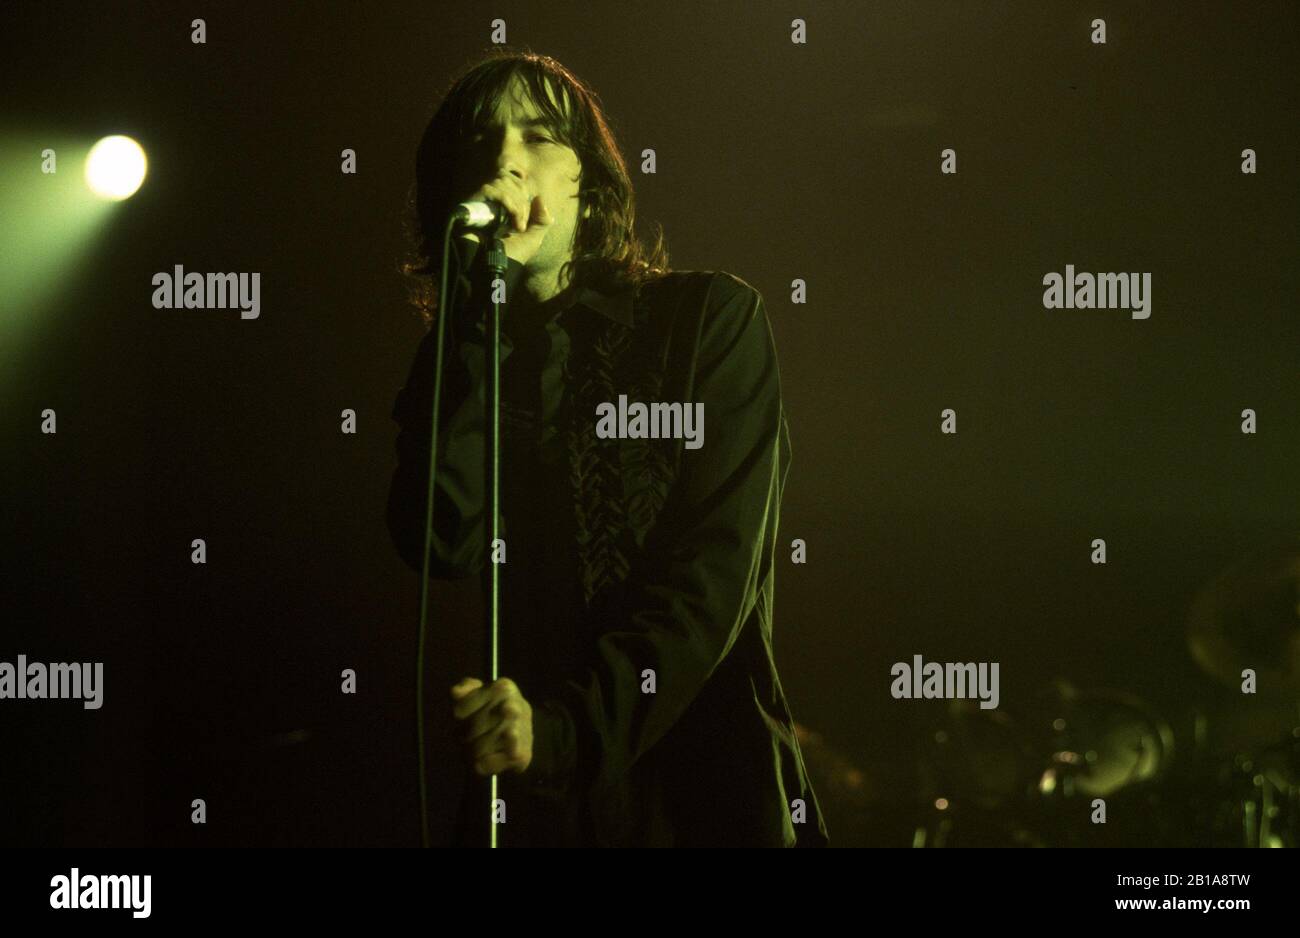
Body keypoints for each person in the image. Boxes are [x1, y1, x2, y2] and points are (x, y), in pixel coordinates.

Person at [387, 49, 828, 847]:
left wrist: (560, 736)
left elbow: (711, 580)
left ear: (589, 186)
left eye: (538, 137)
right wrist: (473, 325)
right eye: (481, 141)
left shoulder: (707, 323)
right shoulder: (462, 354)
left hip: (696, 794)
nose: (504, 160)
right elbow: (437, 540)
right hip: (532, 811)